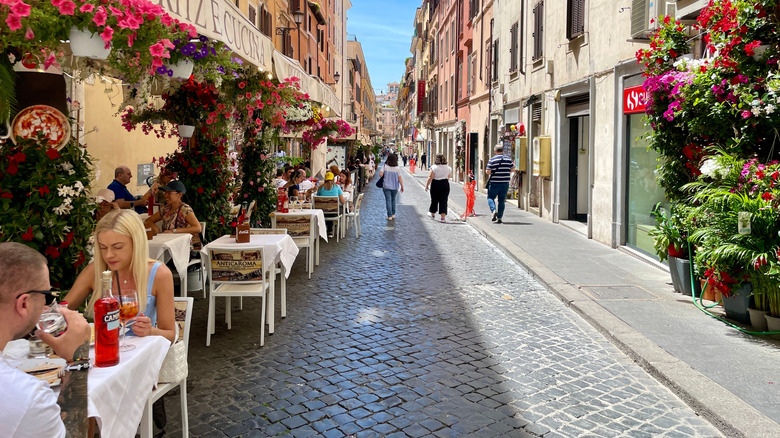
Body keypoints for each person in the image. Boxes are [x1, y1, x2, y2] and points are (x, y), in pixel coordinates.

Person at [0, 242, 92, 438]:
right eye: (47, 296)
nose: (48, 304)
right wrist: (78, 360)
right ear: (23, 303)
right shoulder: (26, 397)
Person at [65, 210, 176, 343]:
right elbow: (62, 311)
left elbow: (170, 334)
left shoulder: (159, 274)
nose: (108, 255)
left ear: (136, 243)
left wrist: (151, 331)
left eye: (117, 247)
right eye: (103, 247)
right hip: (104, 352)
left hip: (141, 356)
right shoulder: (95, 271)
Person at [143, 181, 202, 248]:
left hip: (182, 246)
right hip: (166, 245)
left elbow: (198, 228)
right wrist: (156, 230)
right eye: (165, 192)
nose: (165, 195)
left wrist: (174, 231)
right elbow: (148, 221)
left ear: (179, 194)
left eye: (169, 193)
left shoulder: (185, 209)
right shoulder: (166, 209)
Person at [486, 144, 516, 224]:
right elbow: (513, 170)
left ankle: (493, 210)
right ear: (503, 151)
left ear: (495, 151)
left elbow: (488, 171)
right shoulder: (508, 159)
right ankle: (500, 217)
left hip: (494, 183)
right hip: (504, 183)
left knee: (490, 198)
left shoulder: (492, 160)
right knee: (502, 200)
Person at [316, 172, 346, 238]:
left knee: (327, 208)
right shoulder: (337, 187)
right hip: (334, 213)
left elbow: (318, 199)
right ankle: (330, 230)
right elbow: (343, 201)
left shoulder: (320, 188)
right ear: (333, 179)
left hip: (322, 213)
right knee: (341, 209)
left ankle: (326, 229)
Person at [425, 154, 452, 222]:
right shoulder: (448, 168)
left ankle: (432, 214)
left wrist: (427, 185)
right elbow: (448, 177)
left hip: (435, 183)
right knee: (444, 200)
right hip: (445, 184)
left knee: (434, 199)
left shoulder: (434, 167)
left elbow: (430, 177)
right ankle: (443, 217)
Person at [380, 153, 404, 220]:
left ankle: (389, 215)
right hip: (395, 187)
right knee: (393, 200)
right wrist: (402, 186)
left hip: (386, 186)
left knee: (388, 200)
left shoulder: (385, 166)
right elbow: (399, 178)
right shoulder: (397, 168)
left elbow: (380, 174)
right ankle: (393, 214)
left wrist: (386, 174)